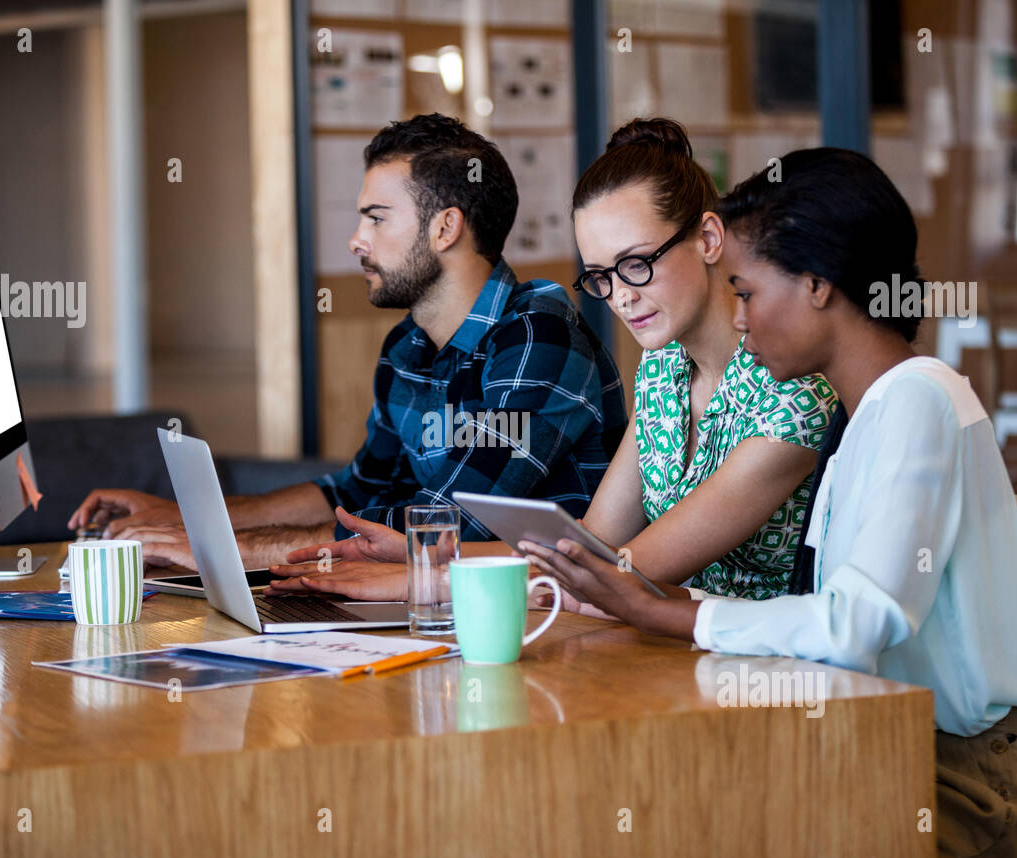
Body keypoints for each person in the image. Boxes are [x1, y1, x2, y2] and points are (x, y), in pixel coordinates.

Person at [519, 147, 1017, 858]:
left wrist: (668, 613)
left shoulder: (922, 397)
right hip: (888, 744)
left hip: (976, 779)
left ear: (816, 285)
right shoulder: (866, 417)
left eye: (746, 292)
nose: (739, 320)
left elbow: (859, 620)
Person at [267, 119, 837, 604]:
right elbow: (592, 544)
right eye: (601, 276)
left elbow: (624, 571)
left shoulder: (789, 391)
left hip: (767, 673)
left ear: (709, 238)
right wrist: (434, 552)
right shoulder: (662, 371)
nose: (620, 296)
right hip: (668, 650)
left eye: (636, 264)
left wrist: (422, 579)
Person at [67, 114, 627, 569]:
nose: (356, 240)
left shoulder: (538, 334)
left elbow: (443, 524)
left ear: (445, 228)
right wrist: (188, 518)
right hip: (439, 615)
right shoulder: (407, 349)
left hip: (551, 626)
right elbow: (356, 491)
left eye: (377, 219)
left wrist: (224, 550)